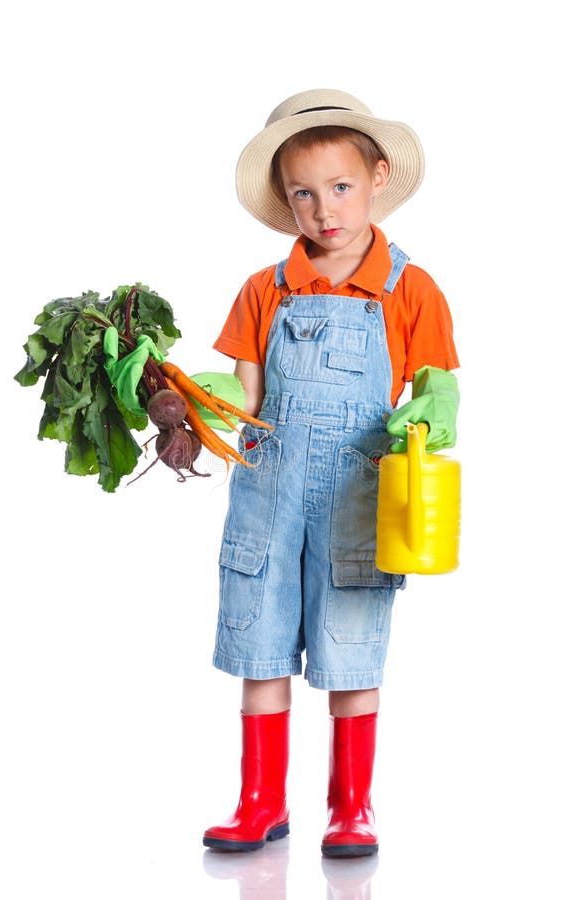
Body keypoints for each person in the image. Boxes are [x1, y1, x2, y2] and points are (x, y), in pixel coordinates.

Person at [202, 89, 460, 858]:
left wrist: (437, 411)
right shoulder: (265, 288)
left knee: (352, 649)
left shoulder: (409, 287)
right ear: (287, 200)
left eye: (340, 187)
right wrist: (189, 396)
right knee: (262, 646)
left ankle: (352, 808)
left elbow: (438, 383)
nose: (324, 210)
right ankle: (259, 803)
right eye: (303, 194)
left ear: (378, 176)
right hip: (267, 499)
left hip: (357, 503)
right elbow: (244, 393)